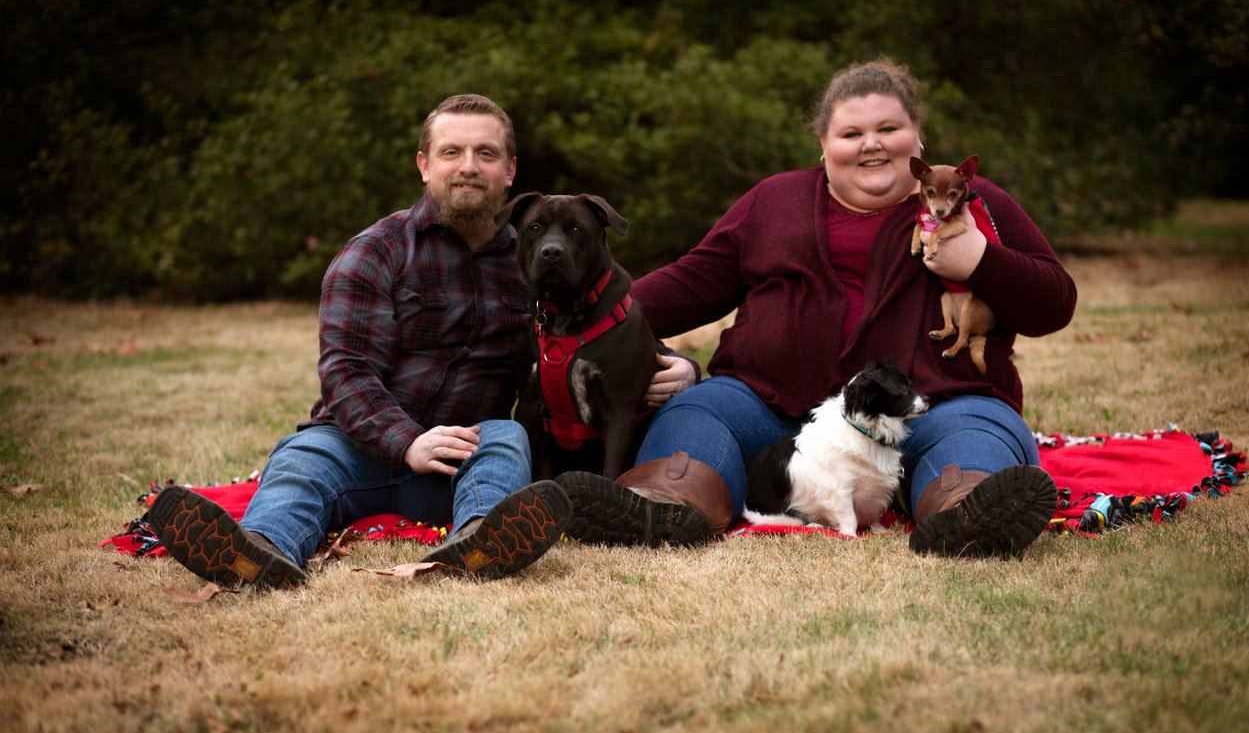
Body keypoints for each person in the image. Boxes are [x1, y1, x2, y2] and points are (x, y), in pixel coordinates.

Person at [557, 57, 1078, 557]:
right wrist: (627, 338)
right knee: (699, 410)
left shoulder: (975, 202)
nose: (871, 144)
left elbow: (1055, 304)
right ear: (824, 145)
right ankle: (663, 505)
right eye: (851, 134)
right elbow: (686, 286)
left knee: (973, 439)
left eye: (889, 128)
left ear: (917, 137)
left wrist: (983, 261)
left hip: (936, 408)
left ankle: (968, 514)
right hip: (771, 410)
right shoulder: (773, 201)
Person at [147, 94, 580, 587]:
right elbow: (346, 370)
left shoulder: (534, 263)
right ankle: (260, 551)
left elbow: (592, 332)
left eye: (486, 153)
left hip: (460, 456)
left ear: (510, 170)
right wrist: (408, 441)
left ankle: (480, 540)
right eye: (451, 152)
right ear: (424, 165)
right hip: (356, 449)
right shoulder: (377, 249)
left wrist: (653, 371)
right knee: (303, 457)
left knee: (507, 437)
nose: (468, 167)